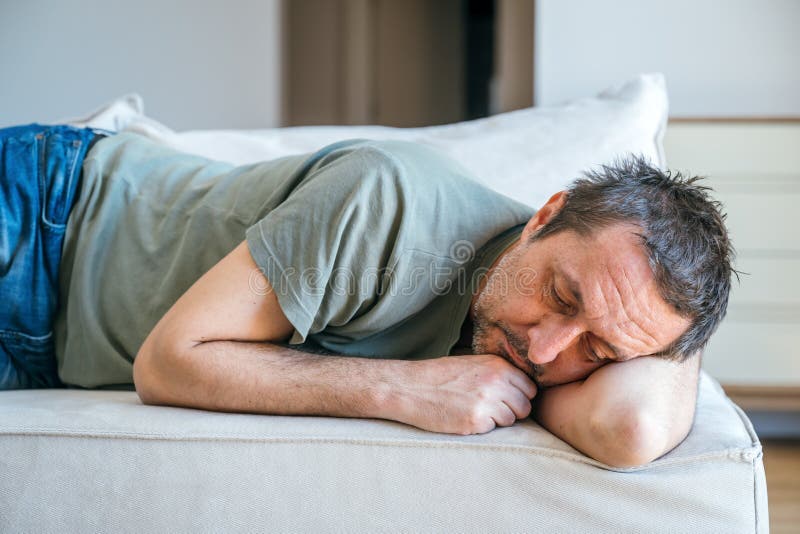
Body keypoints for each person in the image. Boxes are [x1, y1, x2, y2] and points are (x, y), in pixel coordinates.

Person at [0, 123, 734, 468]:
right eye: (560, 294)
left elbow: (630, 431)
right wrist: (400, 387)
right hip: (45, 219)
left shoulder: (558, 348)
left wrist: (676, 335)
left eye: (599, 350)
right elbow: (167, 363)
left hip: (52, 357)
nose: (543, 350)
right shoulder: (390, 203)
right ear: (542, 218)